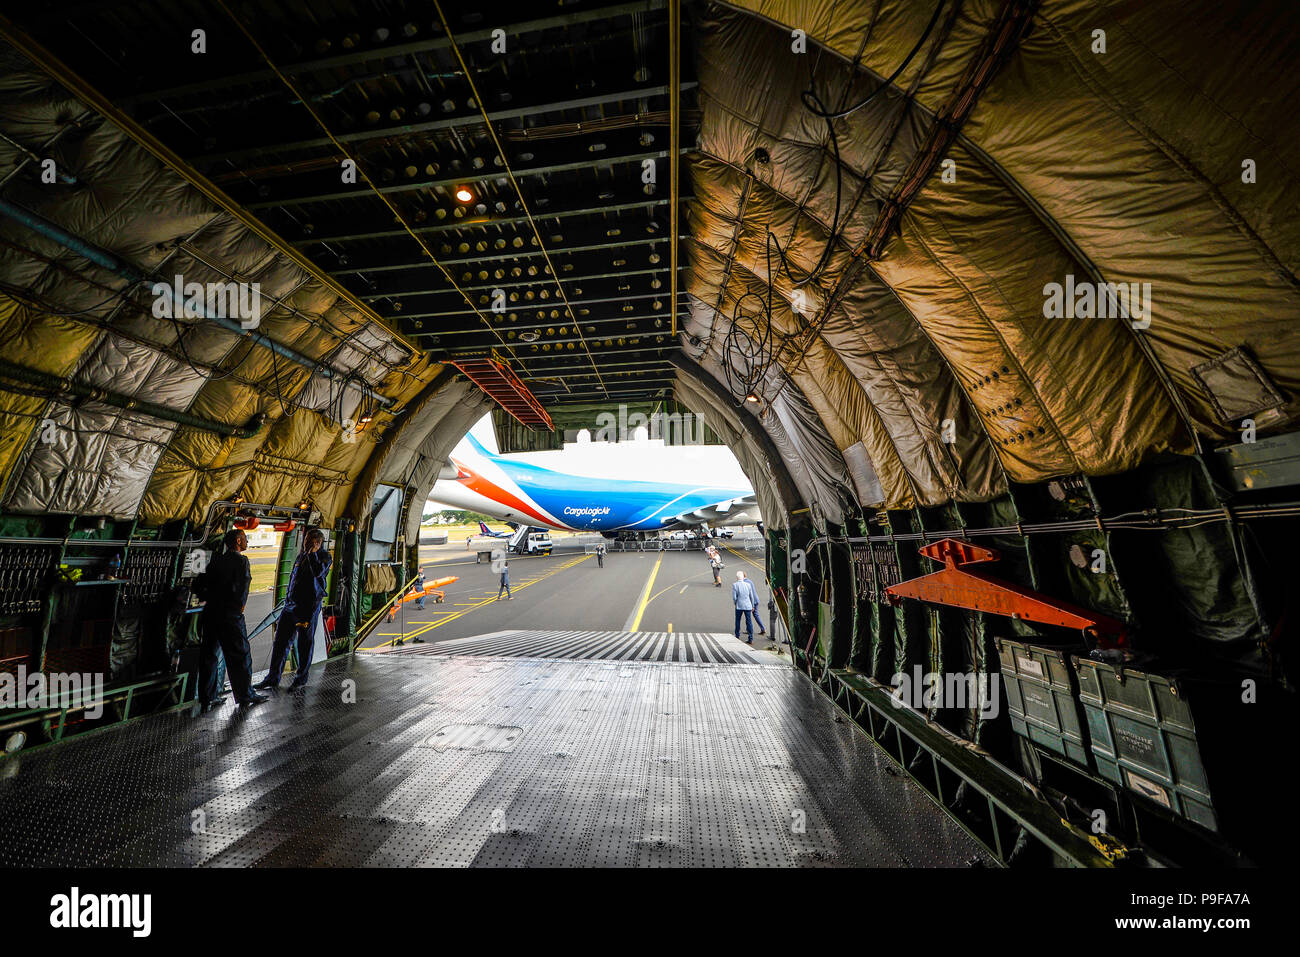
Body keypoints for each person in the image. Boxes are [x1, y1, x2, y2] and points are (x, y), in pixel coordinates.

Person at [194, 528, 265, 710]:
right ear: (238, 542)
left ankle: (207, 698)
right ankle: (244, 695)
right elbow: (243, 586)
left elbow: (199, 584)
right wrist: (239, 607)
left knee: (209, 656)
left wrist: (209, 597)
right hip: (230, 615)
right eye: (245, 539)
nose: (247, 542)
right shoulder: (241, 561)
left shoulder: (216, 560)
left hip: (211, 613)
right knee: (240, 656)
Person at [256, 528, 331, 692]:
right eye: (304, 541)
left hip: (307, 608)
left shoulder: (324, 557)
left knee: (304, 644)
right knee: (280, 643)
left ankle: (300, 679)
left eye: (308, 541)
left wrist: (313, 554)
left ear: (317, 543)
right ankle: (272, 678)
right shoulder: (301, 555)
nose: (304, 544)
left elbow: (318, 573)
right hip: (290, 606)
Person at [737, 569, 767, 636]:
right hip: (756, 599)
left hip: (751, 601)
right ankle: (762, 628)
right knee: (755, 615)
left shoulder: (744, 583)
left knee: (748, 615)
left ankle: (750, 630)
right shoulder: (749, 581)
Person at [732, 569, 756, 643]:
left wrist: (736, 603)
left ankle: (737, 636)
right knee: (749, 621)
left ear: (737, 578)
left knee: (738, 621)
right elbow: (751, 596)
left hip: (739, 605)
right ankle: (750, 638)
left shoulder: (735, 585)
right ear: (743, 577)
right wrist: (752, 605)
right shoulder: (748, 585)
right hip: (748, 605)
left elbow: (734, 597)